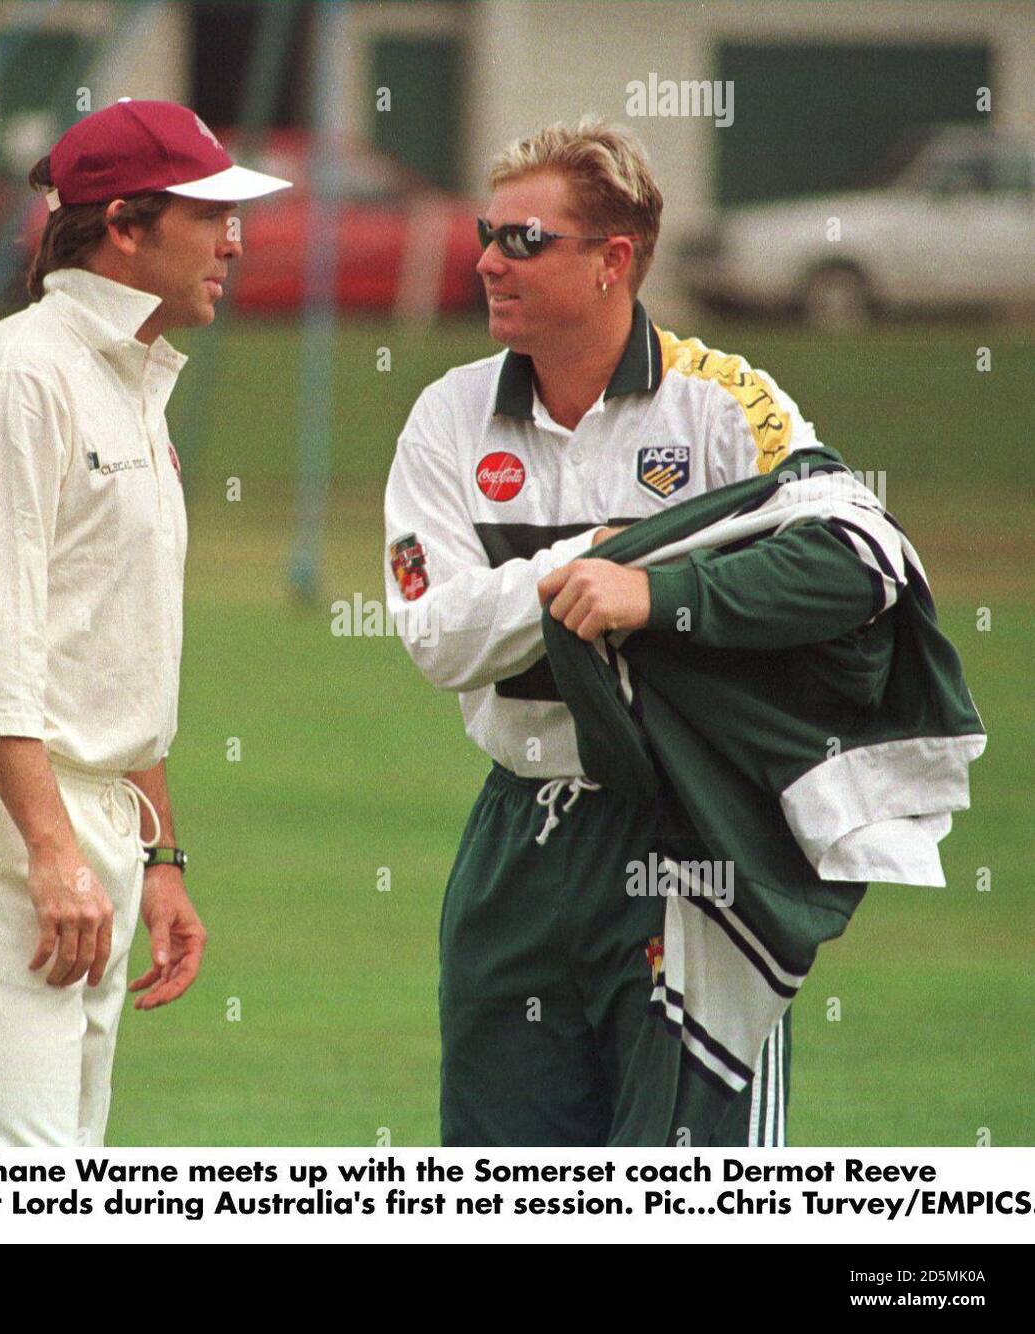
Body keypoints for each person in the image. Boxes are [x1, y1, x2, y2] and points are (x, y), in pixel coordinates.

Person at [383, 118, 822, 1147]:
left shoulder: (726, 406)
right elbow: (435, 634)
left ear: (612, 260)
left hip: (688, 834)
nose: (488, 260)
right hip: (514, 839)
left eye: (524, 241)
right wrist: (591, 556)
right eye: (488, 235)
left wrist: (666, 593)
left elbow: (840, 562)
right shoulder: (445, 418)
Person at [0, 100, 290, 1147]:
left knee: (64, 1176)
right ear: (125, 224)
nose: (234, 244)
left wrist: (161, 857)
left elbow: (119, 644)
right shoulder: (18, 377)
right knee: (5, 1177)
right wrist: (52, 847)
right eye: (211, 215)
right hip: (8, 815)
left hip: (87, 819)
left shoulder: (128, 381)